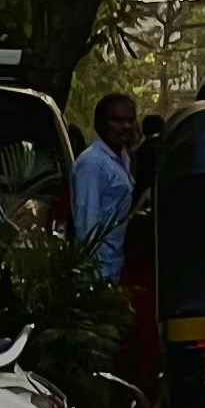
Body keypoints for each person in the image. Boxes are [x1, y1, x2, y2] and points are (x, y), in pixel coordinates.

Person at [71, 88, 139, 276]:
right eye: (117, 120)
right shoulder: (93, 162)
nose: (125, 126)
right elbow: (86, 224)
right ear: (101, 125)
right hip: (98, 271)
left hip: (114, 265)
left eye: (130, 120)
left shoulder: (122, 157)